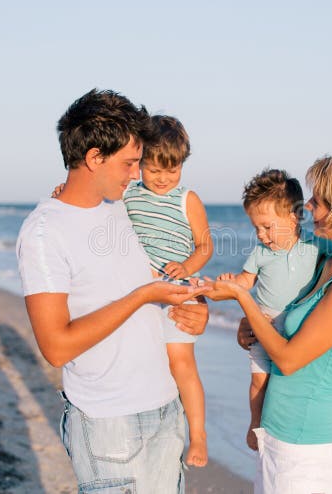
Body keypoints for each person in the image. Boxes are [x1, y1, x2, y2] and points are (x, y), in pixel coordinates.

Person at [16, 89, 209, 493]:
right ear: (93, 158)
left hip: (165, 409)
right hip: (109, 424)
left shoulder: (123, 208)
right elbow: (56, 346)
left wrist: (192, 310)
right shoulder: (44, 232)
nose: (137, 175)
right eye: (129, 163)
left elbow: (158, 275)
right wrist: (144, 296)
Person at [205, 151, 332, 493]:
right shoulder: (326, 262)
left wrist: (242, 299)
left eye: (318, 199)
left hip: (307, 457)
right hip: (279, 442)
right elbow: (283, 314)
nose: (307, 206)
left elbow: (289, 358)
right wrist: (251, 326)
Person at [216, 169, 330, 452]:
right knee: (259, 381)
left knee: (286, 383)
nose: (261, 235)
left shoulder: (317, 246)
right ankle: (256, 425)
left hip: (297, 328)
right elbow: (246, 281)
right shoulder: (260, 253)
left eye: (267, 227)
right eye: (256, 228)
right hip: (262, 324)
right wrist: (230, 284)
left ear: (294, 217)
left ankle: (284, 426)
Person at [122, 114, 213, 467]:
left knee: (181, 363)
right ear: (140, 162)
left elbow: (205, 246)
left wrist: (187, 268)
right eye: (154, 170)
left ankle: (199, 435)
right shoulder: (129, 191)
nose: (162, 179)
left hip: (177, 292)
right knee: (140, 360)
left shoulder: (186, 199)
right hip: (141, 292)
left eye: (171, 170)